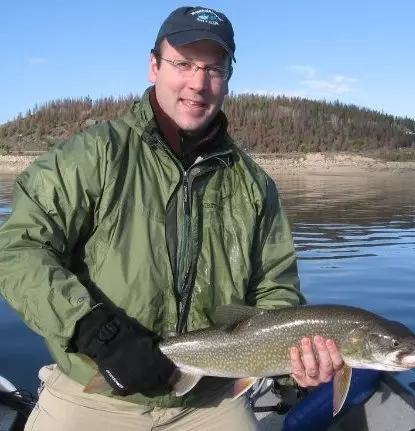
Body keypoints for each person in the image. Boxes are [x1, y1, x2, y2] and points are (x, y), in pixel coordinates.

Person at [0, 6, 343, 430]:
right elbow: (18, 249)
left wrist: (296, 361)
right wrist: (96, 331)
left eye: (213, 69)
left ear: (228, 77)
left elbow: (276, 289)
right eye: (182, 64)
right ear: (153, 66)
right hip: (94, 387)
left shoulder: (255, 185)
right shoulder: (92, 157)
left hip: (207, 399)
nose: (198, 83)